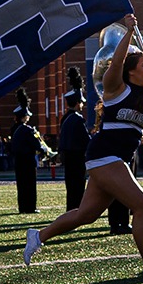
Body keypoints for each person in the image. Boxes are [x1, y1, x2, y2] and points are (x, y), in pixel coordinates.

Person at [24, 15, 143, 280]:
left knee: (86, 215)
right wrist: (129, 32)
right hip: (104, 156)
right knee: (141, 204)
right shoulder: (115, 87)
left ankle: (38, 236)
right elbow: (116, 62)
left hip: (116, 159)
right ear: (130, 70)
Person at [58, 67, 91, 212]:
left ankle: (71, 209)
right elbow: (85, 140)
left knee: (70, 186)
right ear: (78, 103)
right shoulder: (78, 119)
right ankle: (77, 210)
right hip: (77, 157)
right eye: (81, 102)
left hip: (68, 156)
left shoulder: (65, 118)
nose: (82, 105)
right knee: (77, 185)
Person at [10, 89, 41, 214]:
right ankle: (30, 207)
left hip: (18, 160)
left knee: (21, 185)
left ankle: (22, 207)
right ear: (24, 117)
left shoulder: (14, 129)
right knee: (30, 185)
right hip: (28, 160)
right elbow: (36, 144)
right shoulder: (27, 129)